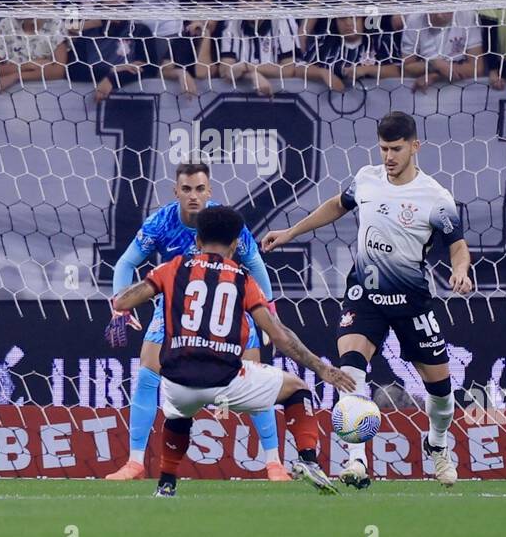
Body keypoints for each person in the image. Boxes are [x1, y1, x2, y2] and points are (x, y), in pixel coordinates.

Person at [262, 111, 473, 489]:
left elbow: (457, 246)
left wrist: (460, 270)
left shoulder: (435, 197)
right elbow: (336, 205)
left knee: (441, 392)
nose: (388, 157)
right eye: (383, 149)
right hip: (365, 297)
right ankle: (356, 461)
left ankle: (438, 444)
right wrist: (291, 232)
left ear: (414, 147)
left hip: (412, 302)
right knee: (351, 373)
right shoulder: (367, 179)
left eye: (395, 149)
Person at [112, 205, 353, 496]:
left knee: (177, 413)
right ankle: (307, 461)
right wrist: (320, 367)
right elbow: (279, 336)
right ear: (236, 244)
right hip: (228, 383)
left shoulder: (171, 270)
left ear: (197, 242)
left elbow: (122, 302)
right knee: (296, 388)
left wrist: (150, 282)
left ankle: (166, 482)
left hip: (178, 384)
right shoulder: (242, 279)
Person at [104, 165, 290, 483]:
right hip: (177, 307)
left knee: (255, 376)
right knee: (148, 370)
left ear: (210, 191)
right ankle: (135, 463)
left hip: (227, 303)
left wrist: (268, 312)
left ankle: (274, 463)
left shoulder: (225, 223)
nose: (194, 196)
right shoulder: (160, 223)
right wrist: (120, 305)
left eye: (200, 189)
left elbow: (255, 264)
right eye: (187, 189)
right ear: (175, 192)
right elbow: (126, 262)